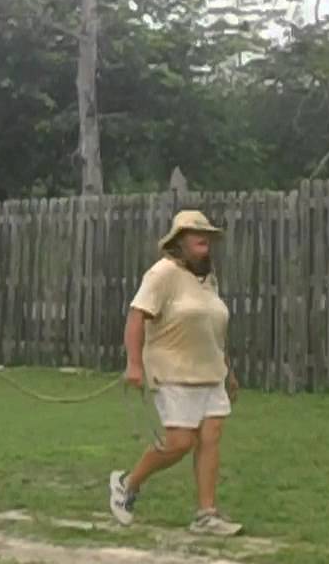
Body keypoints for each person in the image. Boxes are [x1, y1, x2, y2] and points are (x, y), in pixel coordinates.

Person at [108, 209, 243, 537]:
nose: (204, 239)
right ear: (179, 241)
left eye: (207, 235)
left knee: (210, 439)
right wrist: (134, 364)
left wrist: (228, 370)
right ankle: (127, 484)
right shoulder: (162, 273)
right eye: (196, 233)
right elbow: (137, 316)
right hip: (173, 371)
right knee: (180, 442)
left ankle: (206, 514)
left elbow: (213, 328)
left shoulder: (208, 279)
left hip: (211, 373)